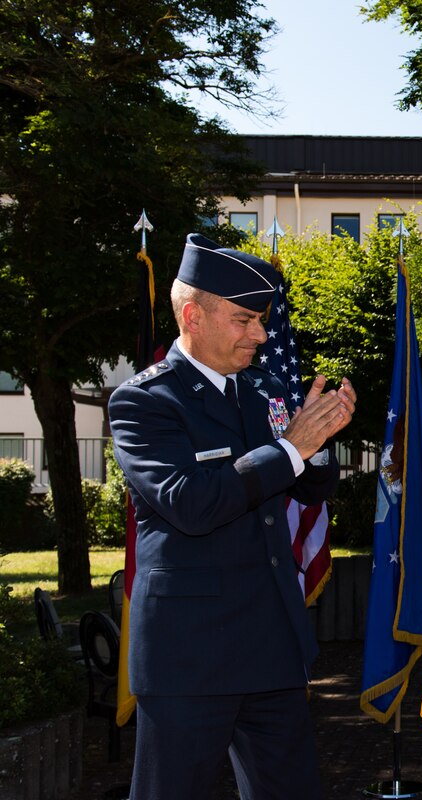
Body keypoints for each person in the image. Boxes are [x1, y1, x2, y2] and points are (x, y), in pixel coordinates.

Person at [108, 233, 356, 800]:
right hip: (189, 655)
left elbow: (310, 486)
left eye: (262, 321)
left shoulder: (260, 393)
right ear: (193, 315)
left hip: (271, 643)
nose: (261, 335)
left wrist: (318, 441)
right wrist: (292, 447)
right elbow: (191, 504)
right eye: (245, 319)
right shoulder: (144, 402)